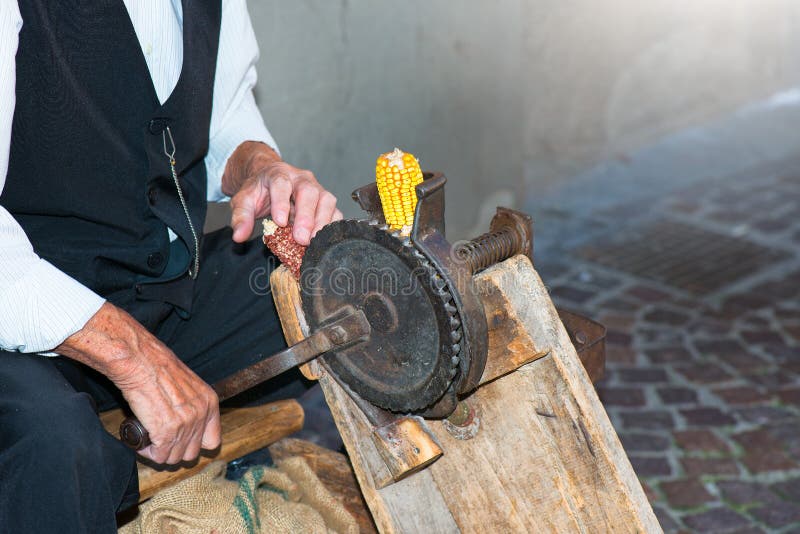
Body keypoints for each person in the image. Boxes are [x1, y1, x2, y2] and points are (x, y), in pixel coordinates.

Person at [0, 0, 342, 531]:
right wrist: (134, 358)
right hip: (21, 323)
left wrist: (261, 166)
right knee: (53, 439)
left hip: (154, 289)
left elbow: (222, 111)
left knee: (337, 292)